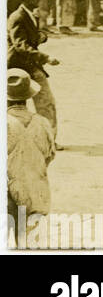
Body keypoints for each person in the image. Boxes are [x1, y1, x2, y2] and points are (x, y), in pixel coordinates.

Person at [7, 0, 60, 147]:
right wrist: (45, 58)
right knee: (14, 106)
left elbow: (30, 39)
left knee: (46, 103)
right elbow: (20, 45)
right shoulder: (17, 17)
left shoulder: (31, 15)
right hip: (16, 66)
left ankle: (48, 140)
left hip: (29, 64)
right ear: (24, 0)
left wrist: (41, 36)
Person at [7, 68, 56, 241]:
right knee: (28, 241)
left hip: (7, 193)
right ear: (28, 95)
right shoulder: (42, 123)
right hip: (36, 191)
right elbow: (49, 156)